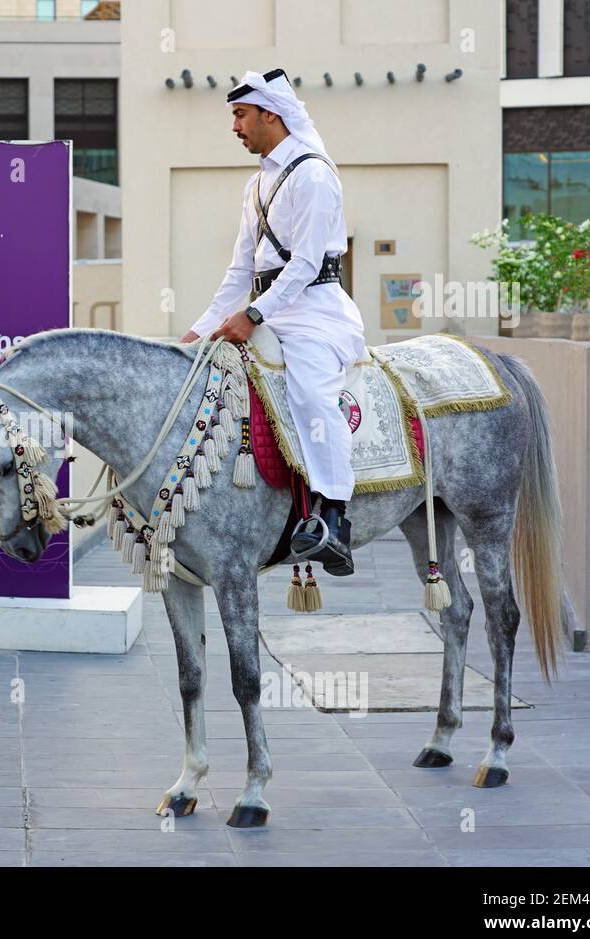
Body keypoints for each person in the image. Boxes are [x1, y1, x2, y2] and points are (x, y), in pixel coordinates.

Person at [181, 69, 366, 575]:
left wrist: (254, 314)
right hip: (268, 311)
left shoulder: (313, 173)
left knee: (309, 393)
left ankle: (334, 517)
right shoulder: (257, 183)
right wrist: (200, 329)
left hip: (315, 313)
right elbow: (240, 270)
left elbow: (306, 264)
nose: (235, 127)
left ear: (271, 114)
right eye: (234, 116)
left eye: (241, 115)